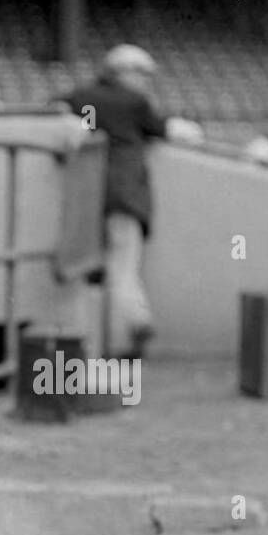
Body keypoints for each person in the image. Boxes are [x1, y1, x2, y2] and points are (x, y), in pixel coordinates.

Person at [61, 44, 191, 358]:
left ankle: (87, 341)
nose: (146, 81)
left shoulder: (80, 96)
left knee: (87, 268)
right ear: (121, 71)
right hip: (125, 195)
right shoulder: (134, 102)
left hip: (86, 196)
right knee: (122, 266)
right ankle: (135, 322)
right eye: (141, 73)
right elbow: (163, 130)